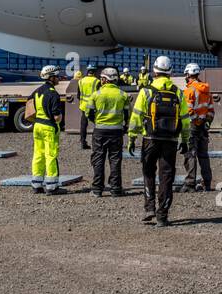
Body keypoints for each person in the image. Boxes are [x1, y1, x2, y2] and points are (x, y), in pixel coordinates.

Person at [128, 55, 189, 227]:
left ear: (154, 71)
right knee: (166, 176)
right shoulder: (178, 92)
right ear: (170, 72)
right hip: (170, 139)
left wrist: (132, 137)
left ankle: (149, 208)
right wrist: (185, 140)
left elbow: (136, 115)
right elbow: (185, 119)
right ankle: (163, 216)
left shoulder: (146, 91)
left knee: (148, 172)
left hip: (150, 138)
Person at [89, 67, 128, 197]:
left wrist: (97, 122)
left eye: (101, 78)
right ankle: (116, 189)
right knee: (115, 160)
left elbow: (88, 113)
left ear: (105, 79)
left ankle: (97, 189)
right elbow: (127, 115)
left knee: (98, 159)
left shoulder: (96, 94)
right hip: (117, 131)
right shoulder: (123, 95)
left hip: (100, 131)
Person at [31, 65, 67, 193]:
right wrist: (61, 117)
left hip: (37, 126)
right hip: (48, 127)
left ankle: (36, 185)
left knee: (38, 155)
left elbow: (29, 105)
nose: (59, 78)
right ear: (51, 78)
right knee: (51, 155)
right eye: (57, 76)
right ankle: (52, 187)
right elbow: (56, 117)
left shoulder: (37, 91)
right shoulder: (53, 94)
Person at [180, 62, 214, 193]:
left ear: (188, 74)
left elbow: (188, 110)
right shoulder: (206, 90)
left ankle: (190, 184)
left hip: (193, 126)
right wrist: (206, 122)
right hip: (203, 127)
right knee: (203, 155)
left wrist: (196, 121)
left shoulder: (189, 90)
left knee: (191, 154)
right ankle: (207, 183)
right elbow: (211, 110)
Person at [77, 64, 100, 150]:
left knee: (83, 125)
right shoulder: (97, 81)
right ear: (94, 71)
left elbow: (78, 96)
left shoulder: (81, 81)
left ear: (87, 71)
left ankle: (83, 142)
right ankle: (96, 143)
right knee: (97, 124)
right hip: (94, 107)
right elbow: (99, 95)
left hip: (83, 106)